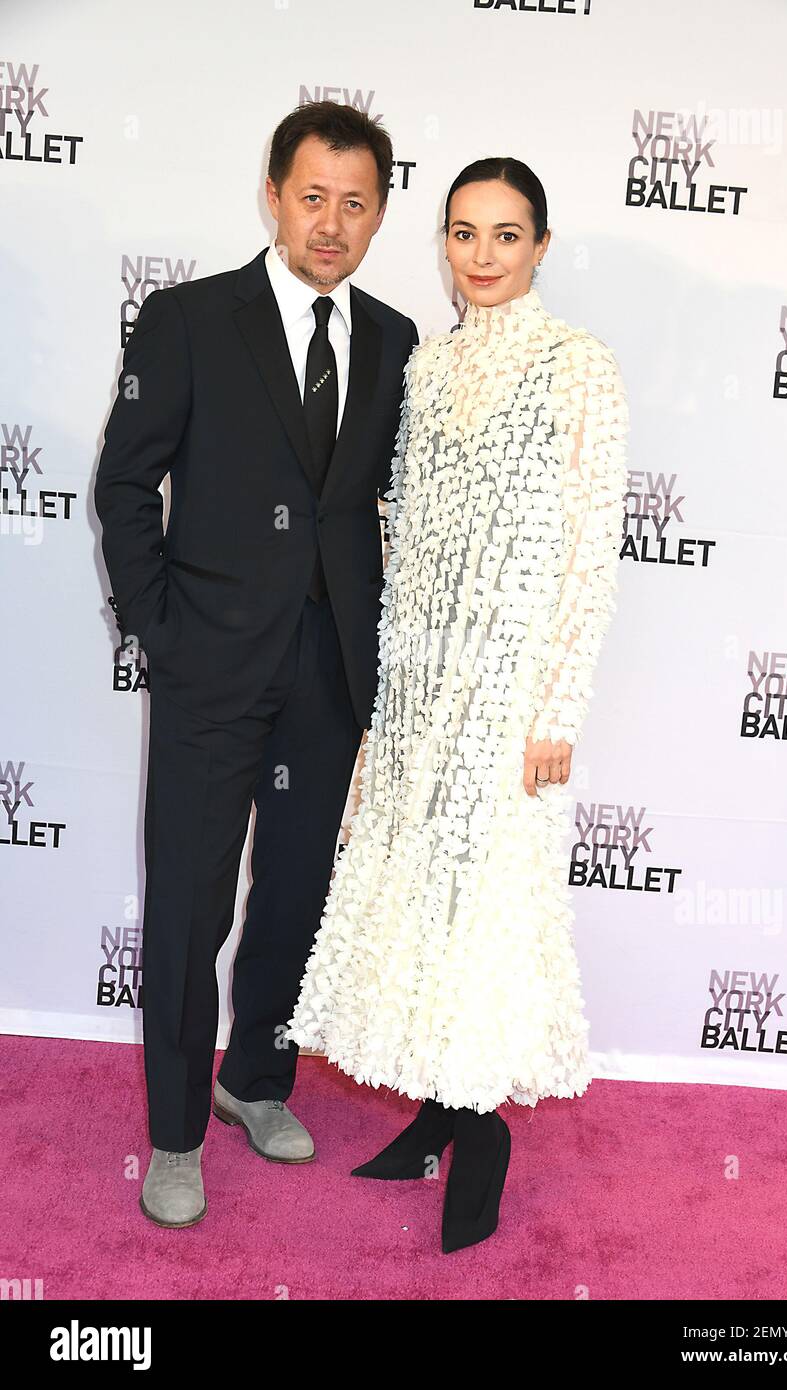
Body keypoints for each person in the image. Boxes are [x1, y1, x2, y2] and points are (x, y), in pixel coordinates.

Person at [287, 157, 630, 1254]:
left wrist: (555, 709)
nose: (481, 256)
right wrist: (386, 699)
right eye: (463, 233)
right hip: (418, 684)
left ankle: (479, 1131)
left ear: (541, 246)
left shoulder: (580, 367)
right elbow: (403, 538)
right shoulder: (427, 369)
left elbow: (590, 550)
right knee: (421, 899)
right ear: (442, 242)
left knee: (481, 904)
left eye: (506, 235)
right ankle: (438, 1108)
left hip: (508, 692)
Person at [94, 101, 418, 1227]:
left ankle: (256, 1078)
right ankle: (176, 1132)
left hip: (330, 672)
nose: (331, 223)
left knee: (295, 891)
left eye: (355, 203)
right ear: (273, 194)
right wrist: (160, 630)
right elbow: (124, 483)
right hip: (209, 665)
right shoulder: (190, 319)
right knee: (190, 904)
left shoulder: (394, 341)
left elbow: (379, 508)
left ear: (380, 214)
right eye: (312, 196)